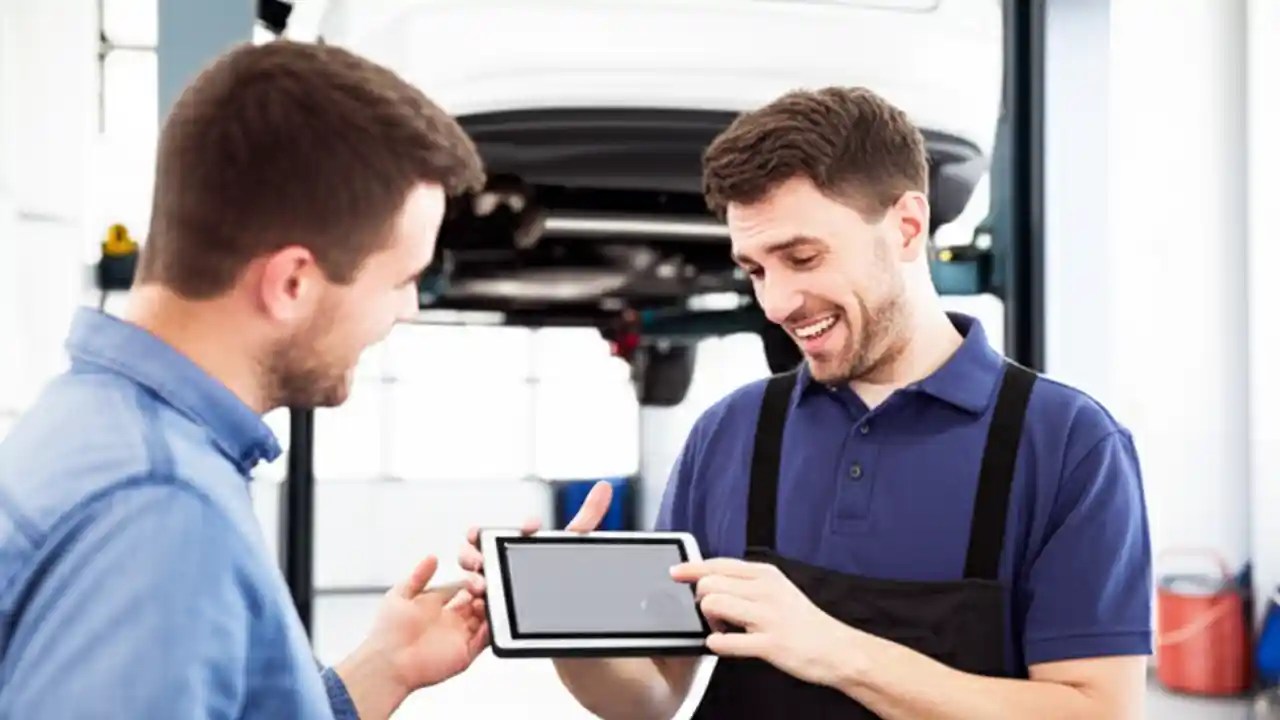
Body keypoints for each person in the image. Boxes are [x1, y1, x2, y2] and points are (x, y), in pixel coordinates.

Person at [460, 86, 1152, 718]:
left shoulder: (1067, 444)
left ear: (907, 227)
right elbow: (653, 696)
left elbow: (1097, 711)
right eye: (756, 269)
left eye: (804, 257)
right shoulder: (730, 432)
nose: (777, 303)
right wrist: (567, 626)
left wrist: (835, 652)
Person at [0, 41, 490, 718]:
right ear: (292, 282)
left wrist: (379, 672)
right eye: (402, 280)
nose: (408, 308)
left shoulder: (99, 426)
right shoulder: (160, 514)